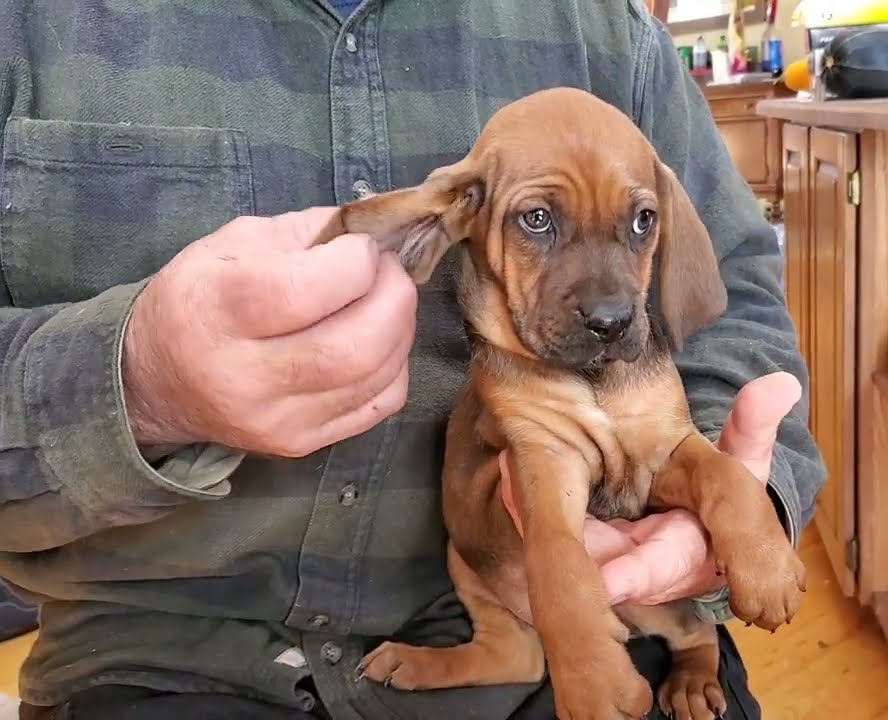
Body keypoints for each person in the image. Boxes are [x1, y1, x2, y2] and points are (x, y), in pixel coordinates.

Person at [0, 0, 825, 718]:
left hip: (596, 623)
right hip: (162, 659)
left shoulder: (607, 28)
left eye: (636, 224)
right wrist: (138, 379)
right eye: (539, 221)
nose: (611, 305)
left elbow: (735, 300)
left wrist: (725, 507)